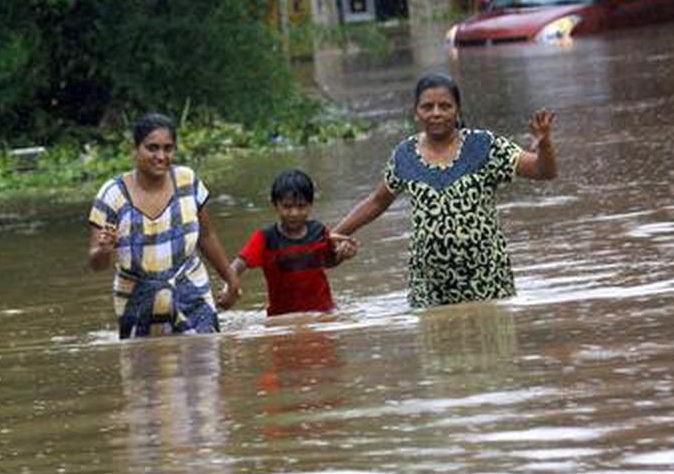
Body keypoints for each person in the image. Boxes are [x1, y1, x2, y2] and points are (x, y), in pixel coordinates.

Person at [332, 73, 557, 308]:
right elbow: (378, 201)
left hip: (487, 282)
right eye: (427, 107)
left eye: (445, 106)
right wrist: (329, 236)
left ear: (457, 110)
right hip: (429, 289)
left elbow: (544, 172)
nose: (436, 113)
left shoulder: (484, 146)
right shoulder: (405, 154)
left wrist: (546, 144)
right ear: (416, 112)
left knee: (489, 344)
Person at [88, 112, 241, 338]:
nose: (161, 156)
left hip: (191, 290)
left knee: (204, 363)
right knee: (146, 369)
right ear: (135, 149)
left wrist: (231, 280)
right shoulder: (112, 195)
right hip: (137, 299)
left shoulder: (187, 181)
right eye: (152, 148)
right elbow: (96, 264)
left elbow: (206, 237)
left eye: (168, 148)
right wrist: (103, 250)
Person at [229, 169, 356, 316]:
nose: (294, 213)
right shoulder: (265, 239)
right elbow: (237, 266)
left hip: (322, 313)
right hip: (282, 317)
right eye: (287, 207)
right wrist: (229, 286)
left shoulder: (319, 232)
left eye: (301, 206)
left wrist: (343, 255)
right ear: (276, 205)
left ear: (310, 205)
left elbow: (329, 261)